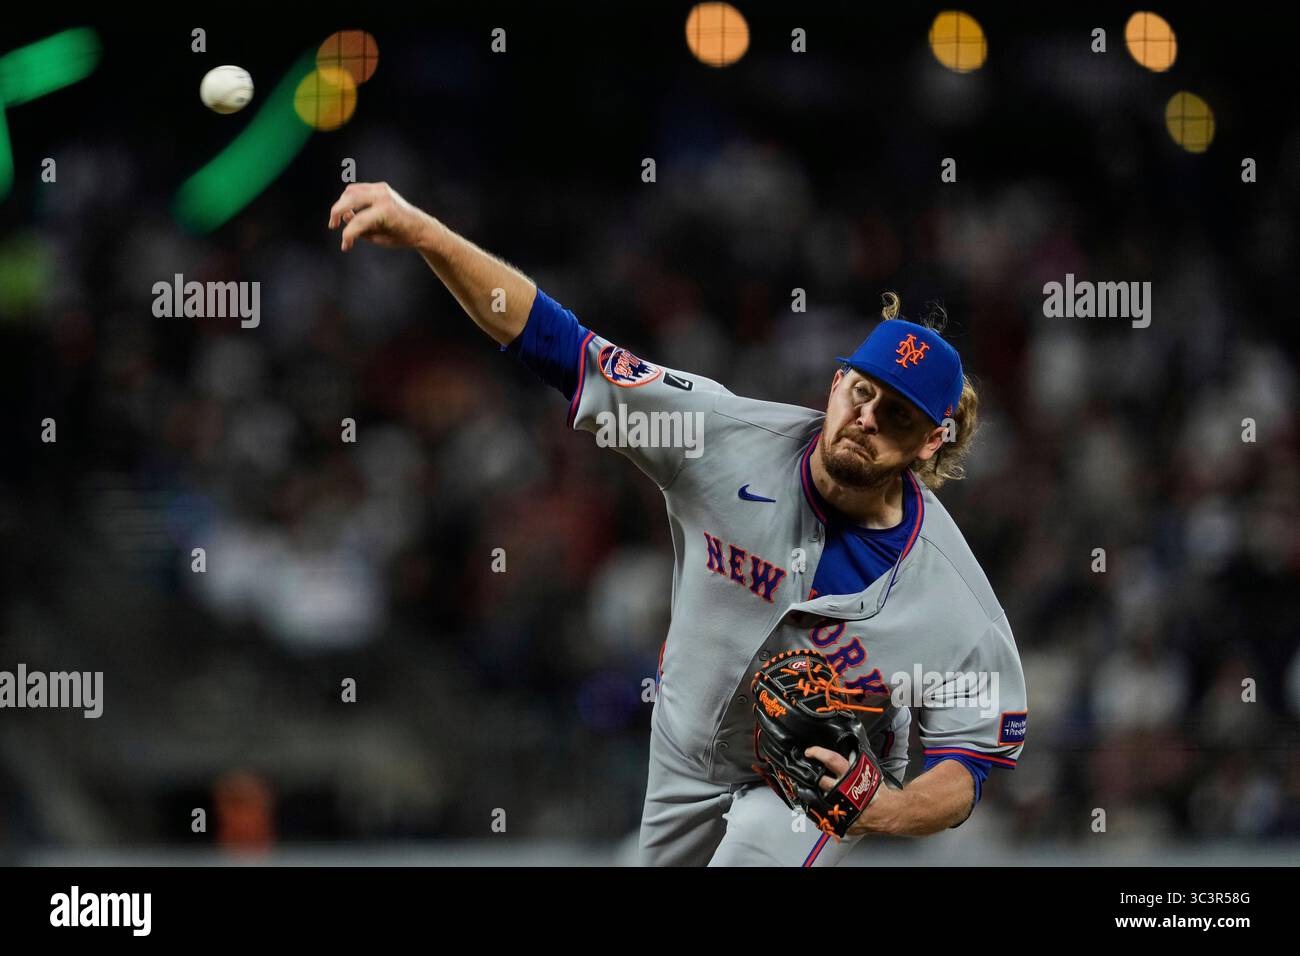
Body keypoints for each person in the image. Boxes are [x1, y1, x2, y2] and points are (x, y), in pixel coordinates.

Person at [328, 182, 1028, 866]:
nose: (867, 418)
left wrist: (887, 811)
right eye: (862, 392)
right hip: (683, 749)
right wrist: (424, 231)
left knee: (758, 847)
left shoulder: (954, 598)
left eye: (897, 414)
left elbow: (967, 763)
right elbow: (560, 346)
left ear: (933, 440)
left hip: (811, 786)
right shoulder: (721, 437)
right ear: (836, 384)